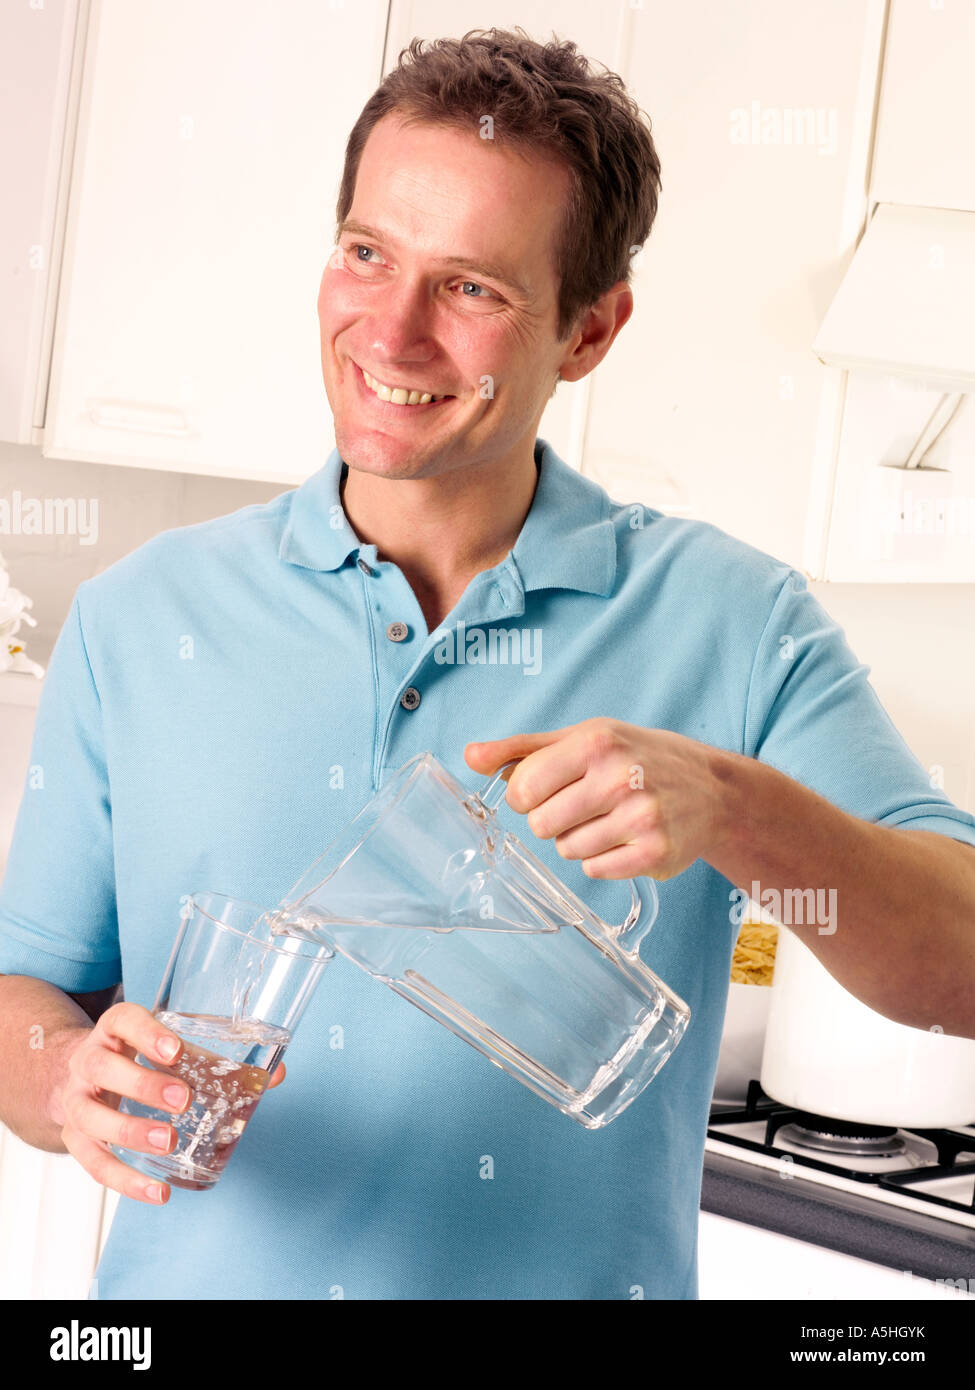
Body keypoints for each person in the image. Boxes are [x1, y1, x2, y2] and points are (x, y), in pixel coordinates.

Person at [1, 28, 974, 1302]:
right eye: (367, 254)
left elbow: (958, 970)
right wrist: (66, 1077)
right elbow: (27, 995)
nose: (390, 332)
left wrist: (741, 811)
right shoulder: (141, 615)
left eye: (471, 288)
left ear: (589, 331)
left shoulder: (737, 623)